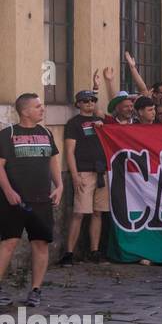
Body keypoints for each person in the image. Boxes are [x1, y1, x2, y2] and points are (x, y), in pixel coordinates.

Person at [0, 94, 63, 307]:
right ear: (25, 111)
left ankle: (36, 290)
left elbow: (53, 160)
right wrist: (8, 190)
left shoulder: (45, 132)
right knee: (9, 242)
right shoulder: (8, 134)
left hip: (41, 200)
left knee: (40, 243)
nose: (42, 109)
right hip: (14, 200)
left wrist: (60, 185)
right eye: (38, 107)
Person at [61, 89, 107, 265]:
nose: (90, 103)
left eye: (93, 100)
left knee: (97, 213)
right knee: (79, 213)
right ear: (78, 103)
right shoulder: (74, 123)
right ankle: (69, 253)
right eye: (86, 101)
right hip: (84, 171)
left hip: (102, 171)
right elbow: (70, 151)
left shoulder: (100, 121)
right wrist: (74, 175)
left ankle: (94, 250)